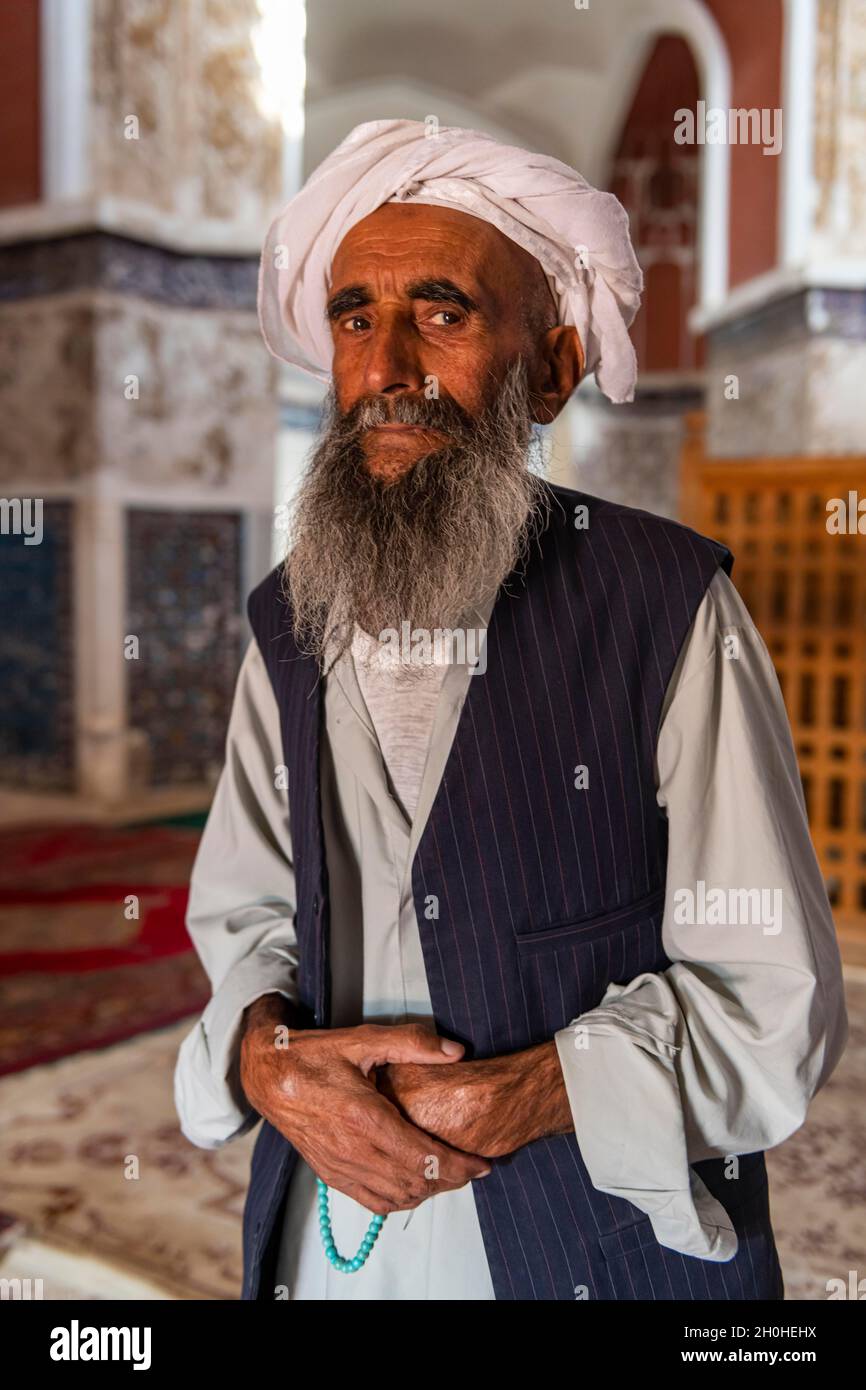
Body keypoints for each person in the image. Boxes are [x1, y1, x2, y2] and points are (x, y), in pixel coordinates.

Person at [174, 119, 847, 1301]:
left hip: (590, 1240)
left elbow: (772, 999)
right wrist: (265, 1057)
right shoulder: (288, 616)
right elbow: (245, 917)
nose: (387, 366)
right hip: (333, 1238)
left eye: (441, 313)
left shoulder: (663, 602)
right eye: (352, 318)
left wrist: (539, 1086)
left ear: (551, 366)